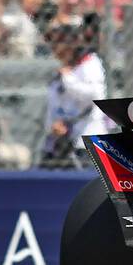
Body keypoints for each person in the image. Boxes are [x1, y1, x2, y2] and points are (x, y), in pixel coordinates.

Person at [39, 23, 110, 168]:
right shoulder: (64, 70)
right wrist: (53, 125)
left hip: (85, 142)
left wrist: (68, 80)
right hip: (60, 141)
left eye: (58, 43)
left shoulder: (89, 63)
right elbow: (55, 104)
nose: (54, 48)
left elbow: (95, 95)